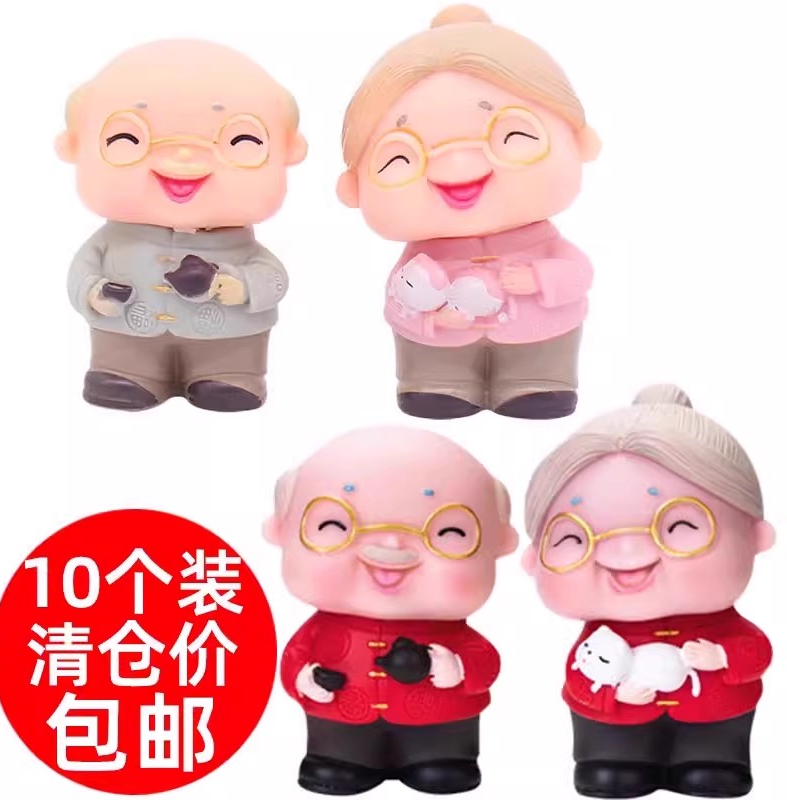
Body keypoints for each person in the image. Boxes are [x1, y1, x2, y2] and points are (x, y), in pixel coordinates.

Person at [337, 4, 600, 420]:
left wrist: (538, 278)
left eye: (511, 136)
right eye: (402, 158)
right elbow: (401, 295)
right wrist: (431, 315)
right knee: (432, 371)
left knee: (538, 372)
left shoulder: (545, 243)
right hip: (440, 343)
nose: (456, 168)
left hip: (537, 333)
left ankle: (535, 382)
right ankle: (438, 384)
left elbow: (578, 274)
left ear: (579, 142)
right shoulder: (422, 253)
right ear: (354, 188)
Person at [522, 385, 775, 797]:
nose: (627, 554)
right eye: (575, 537)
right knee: (612, 764)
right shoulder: (599, 636)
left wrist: (724, 657)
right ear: (534, 559)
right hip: (616, 727)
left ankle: (714, 763)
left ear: (755, 537)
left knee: (711, 762)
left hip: (712, 720)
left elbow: (755, 652)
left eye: (679, 527)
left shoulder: (724, 626)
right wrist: (612, 695)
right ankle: (610, 762)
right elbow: (579, 677)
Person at [264, 427, 518, 794]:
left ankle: (443, 761)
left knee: (441, 762)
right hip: (341, 727)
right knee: (339, 759)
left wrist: (457, 668)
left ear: (499, 544)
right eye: (335, 525)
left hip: (440, 728)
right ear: (281, 532)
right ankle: (338, 761)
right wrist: (307, 680)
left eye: (447, 533)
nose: (390, 548)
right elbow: (294, 659)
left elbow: (485, 661)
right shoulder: (321, 626)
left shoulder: (453, 632)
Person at [57, 40, 307, 411]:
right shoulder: (109, 240)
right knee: (123, 365)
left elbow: (273, 278)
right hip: (127, 335)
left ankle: (230, 376)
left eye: (240, 141)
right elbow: (81, 272)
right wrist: (95, 294)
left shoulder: (241, 246)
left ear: (287, 152)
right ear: (75, 147)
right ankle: (125, 374)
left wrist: (237, 286)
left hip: (227, 338)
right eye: (127, 139)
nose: (183, 160)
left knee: (229, 368)